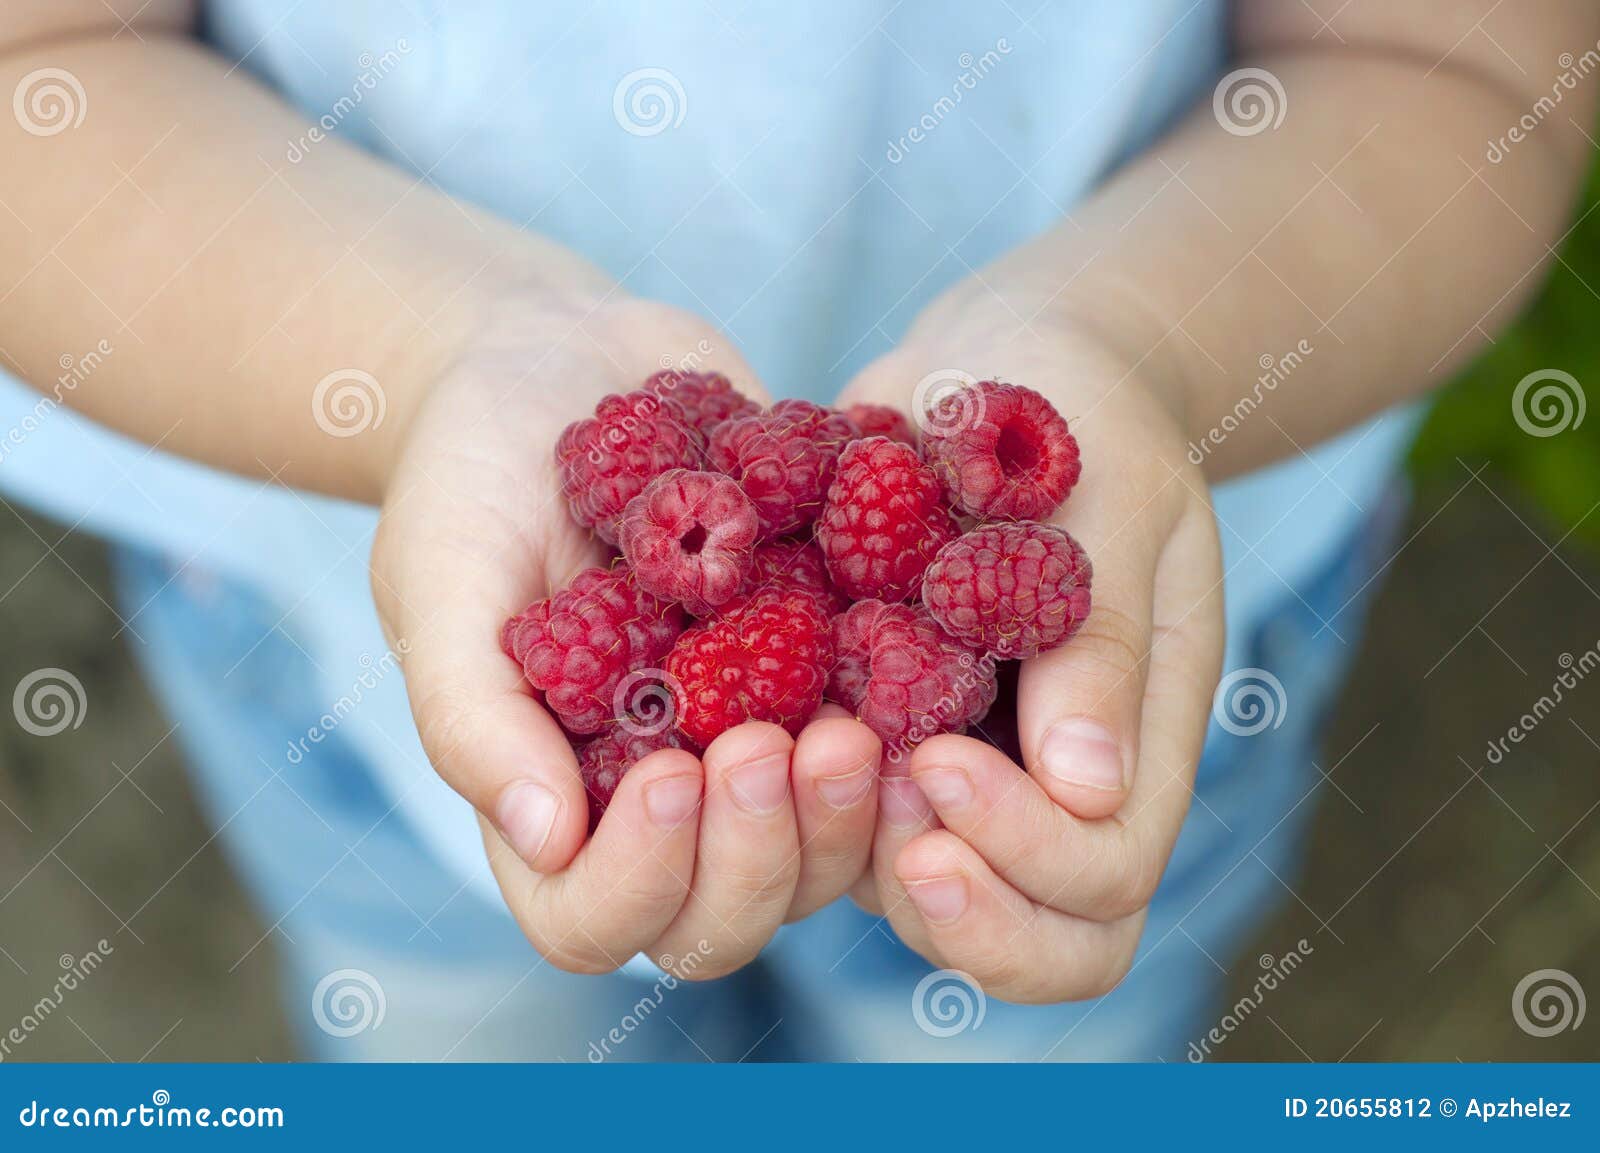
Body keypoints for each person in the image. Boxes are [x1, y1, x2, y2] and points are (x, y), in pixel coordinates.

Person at [0, 1, 1591, 1060]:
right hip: (339, 640)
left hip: (1126, 637)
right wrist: (432, 365)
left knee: (1026, 1040)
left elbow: (1461, 64)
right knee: (462, 1032)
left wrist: (1138, 348)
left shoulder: (975, 576)